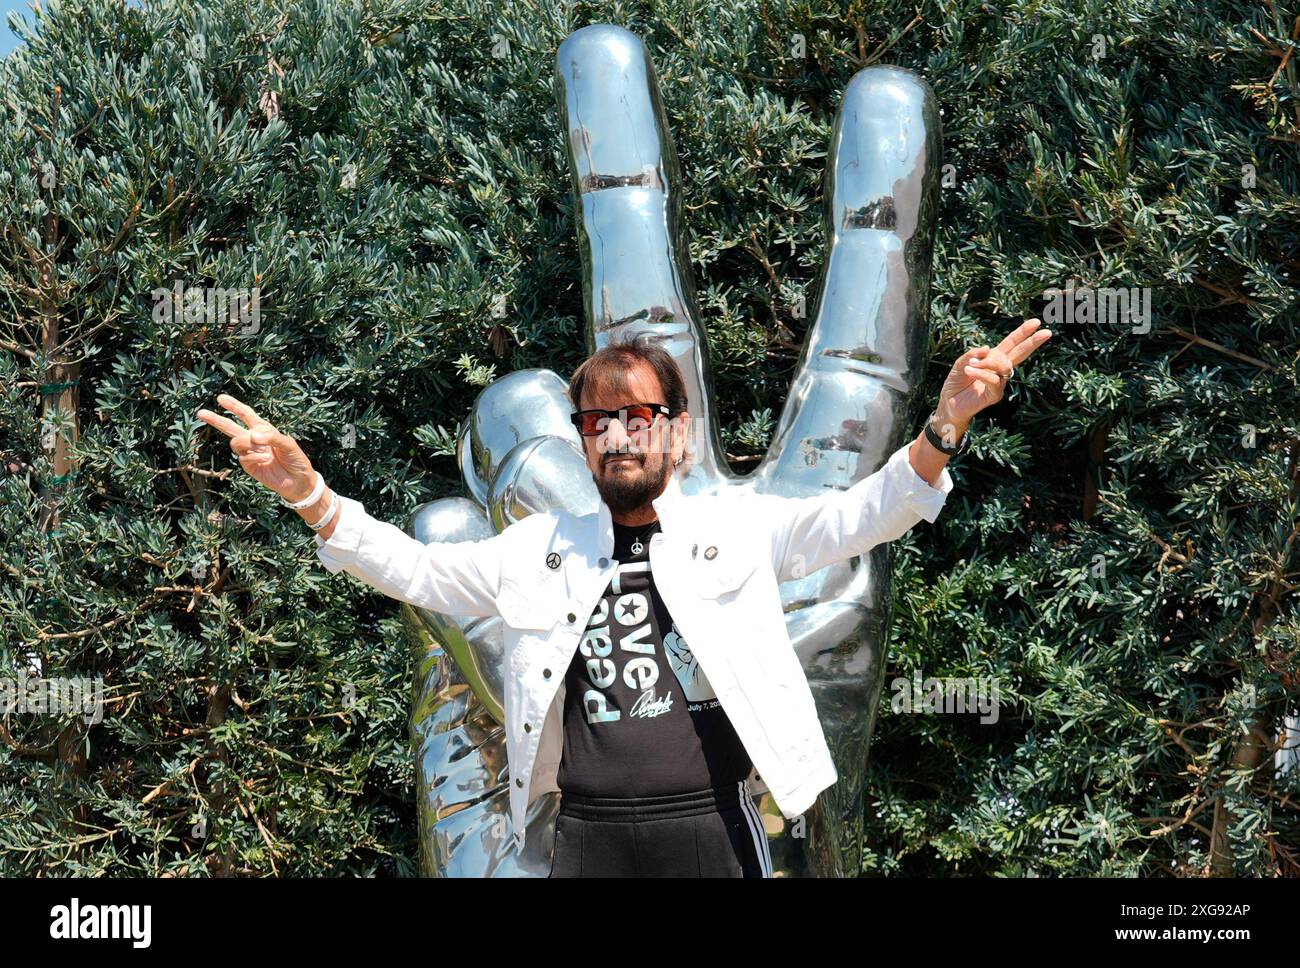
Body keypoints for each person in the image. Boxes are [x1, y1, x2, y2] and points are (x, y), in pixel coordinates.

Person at [197, 319, 1051, 877]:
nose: (618, 436)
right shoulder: (540, 549)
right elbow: (415, 572)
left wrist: (945, 426)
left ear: (674, 431)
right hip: (587, 839)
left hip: (713, 830)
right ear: (582, 442)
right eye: (598, 421)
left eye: (638, 416)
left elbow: (867, 514)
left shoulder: (735, 527)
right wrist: (311, 496)